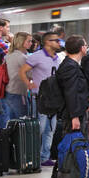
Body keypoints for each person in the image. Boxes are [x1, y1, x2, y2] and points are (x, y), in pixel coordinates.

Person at [48, 36, 89, 178]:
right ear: (81, 48)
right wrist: (74, 116)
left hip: (77, 111)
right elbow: (70, 93)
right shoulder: (70, 66)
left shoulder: (71, 64)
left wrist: (84, 104)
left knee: (80, 142)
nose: (86, 47)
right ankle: (70, 174)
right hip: (72, 115)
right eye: (85, 45)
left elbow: (77, 91)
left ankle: (85, 171)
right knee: (72, 144)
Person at [19, 32, 61, 165]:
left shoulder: (57, 58)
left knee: (51, 129)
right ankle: (33, 156)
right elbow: (22, 71)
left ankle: (44, 157)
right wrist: (28, 84)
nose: (59, 43)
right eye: (56, 41)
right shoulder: (37, 56)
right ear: (47, 42)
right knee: (40, 128)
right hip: (40, 98)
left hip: (53, 99)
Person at [1, 31, 33, 125]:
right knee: (23, 123)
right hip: (18, 93)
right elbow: (31, 74)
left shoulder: (8, 55)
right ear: (21, 42)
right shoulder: (23, 57)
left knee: (12, 123)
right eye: (29, 41)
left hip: (8, 92)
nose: (31, 43)